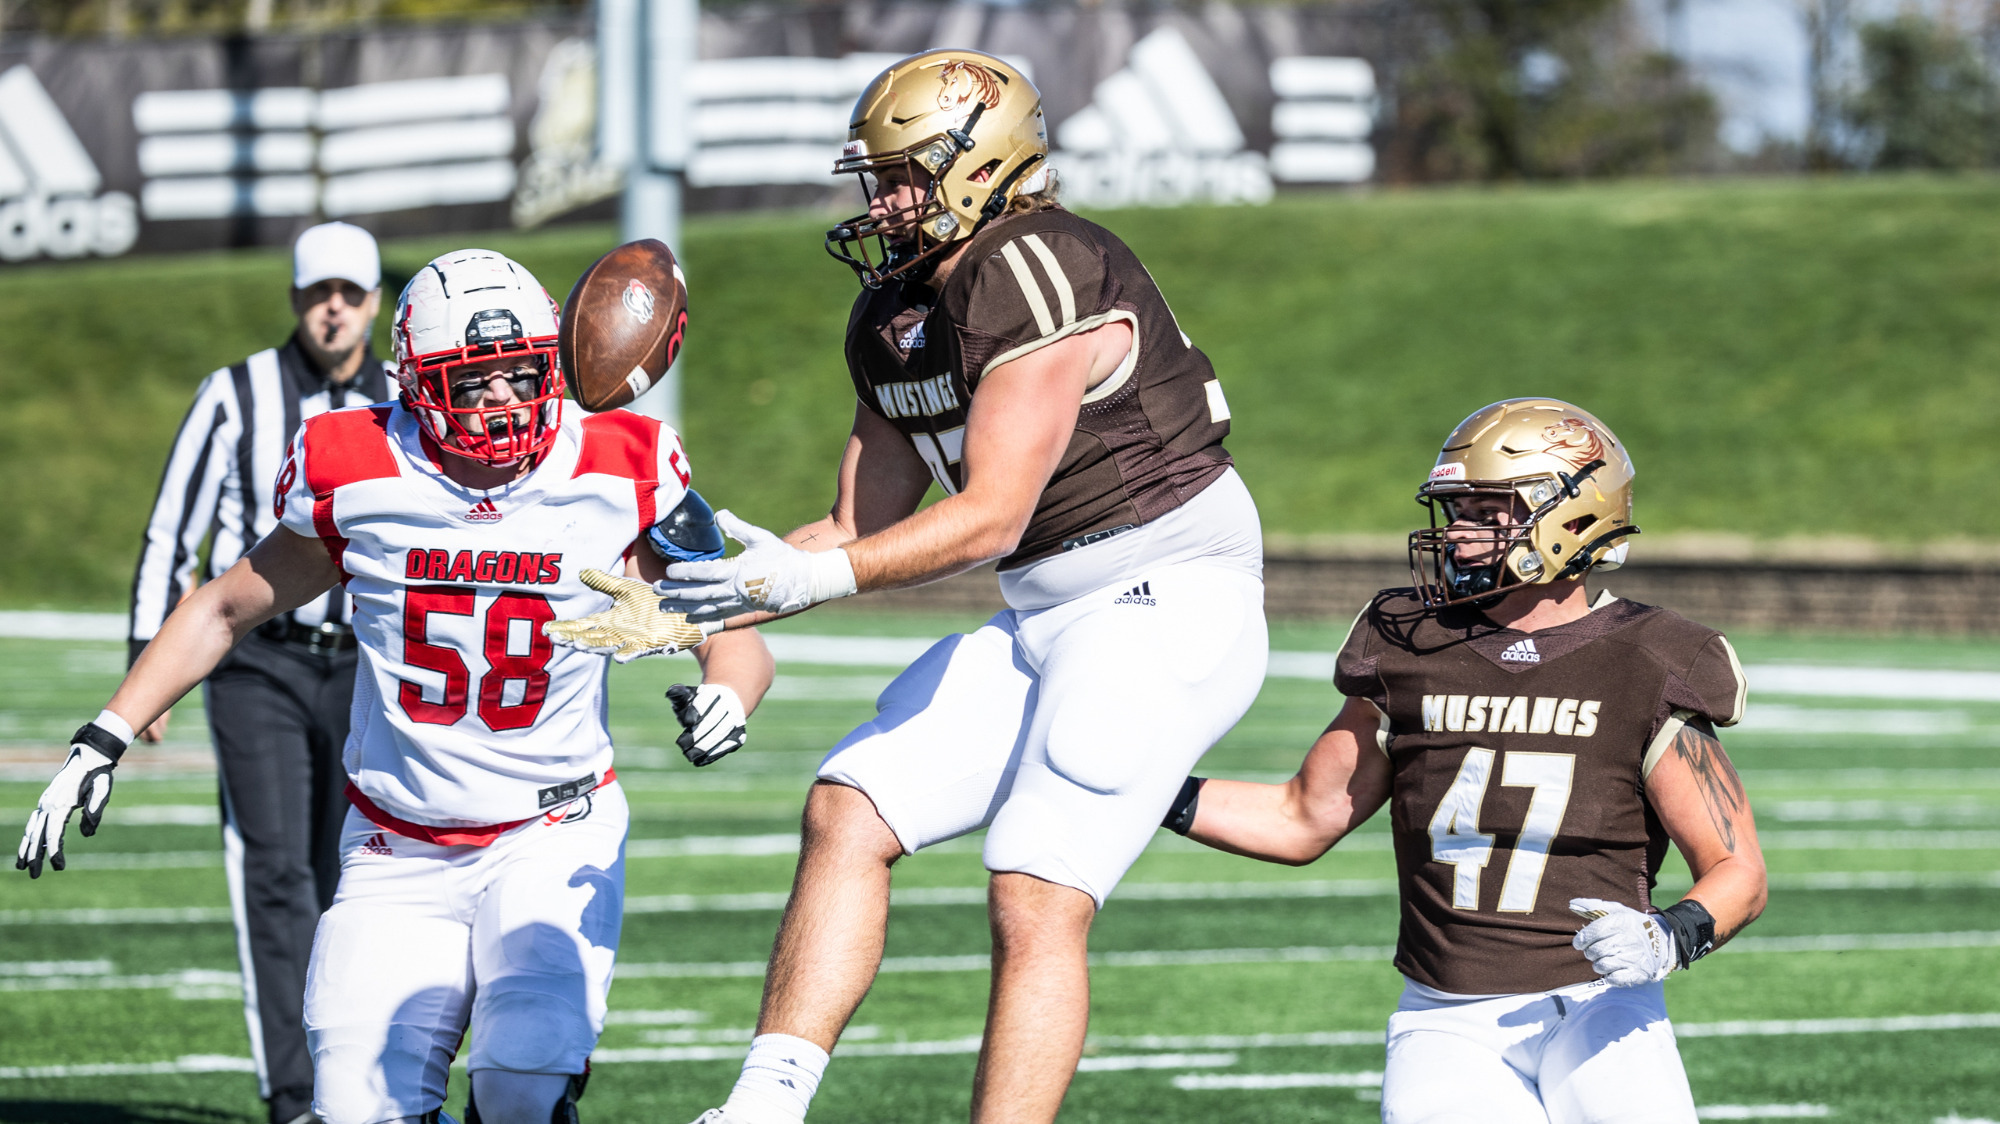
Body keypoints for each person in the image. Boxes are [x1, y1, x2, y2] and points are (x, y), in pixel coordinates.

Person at [548, 48, 1268, 1124]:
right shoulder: (893, 310)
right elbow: (853, 527)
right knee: (850, 804)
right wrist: (696, 598)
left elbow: (990, 514)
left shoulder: (1034, 261)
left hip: (1167, 588)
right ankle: (761, 1105)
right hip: (1046, 611)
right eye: (873, 175)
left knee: (1033, 882)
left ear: (981, 162)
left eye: (903, 173)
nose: (880, 199)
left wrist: (796, 577)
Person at [19, 247, 773, 1124]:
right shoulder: (360, 465)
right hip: (397, 844)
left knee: (522, 1086)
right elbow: (225, 609)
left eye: (519, 372)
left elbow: (728, 627)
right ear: (415, 385)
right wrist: (103, 735)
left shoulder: (622, 463)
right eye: (471, 381)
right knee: (356, 1110)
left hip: (552, 828)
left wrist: (728, 689)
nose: (499, 401)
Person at [1166, 399, 1768, 1124]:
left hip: (1600, 1002)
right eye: (1455, 509)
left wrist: (1668, 937)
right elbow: (1302, 818)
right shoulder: (1408, 644)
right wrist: (1147, 792)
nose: (1457, 531)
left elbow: (1738, 869)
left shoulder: (1653, 659)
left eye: (1488, 510)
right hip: (1445, 1014)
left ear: (1571, 514)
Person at [124, 220, 393, 1124]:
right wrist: (147, 663)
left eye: (350, 294)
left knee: (355, 876)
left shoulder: (405, 398)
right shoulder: (234, 395)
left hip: (370, 669)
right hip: (262, 668)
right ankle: (294, 1095)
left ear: (374, 302)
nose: (334, 309)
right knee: (277, 873)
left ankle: (359, 1085)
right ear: (295, 298)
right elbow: (174, 530)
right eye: (320, 293)